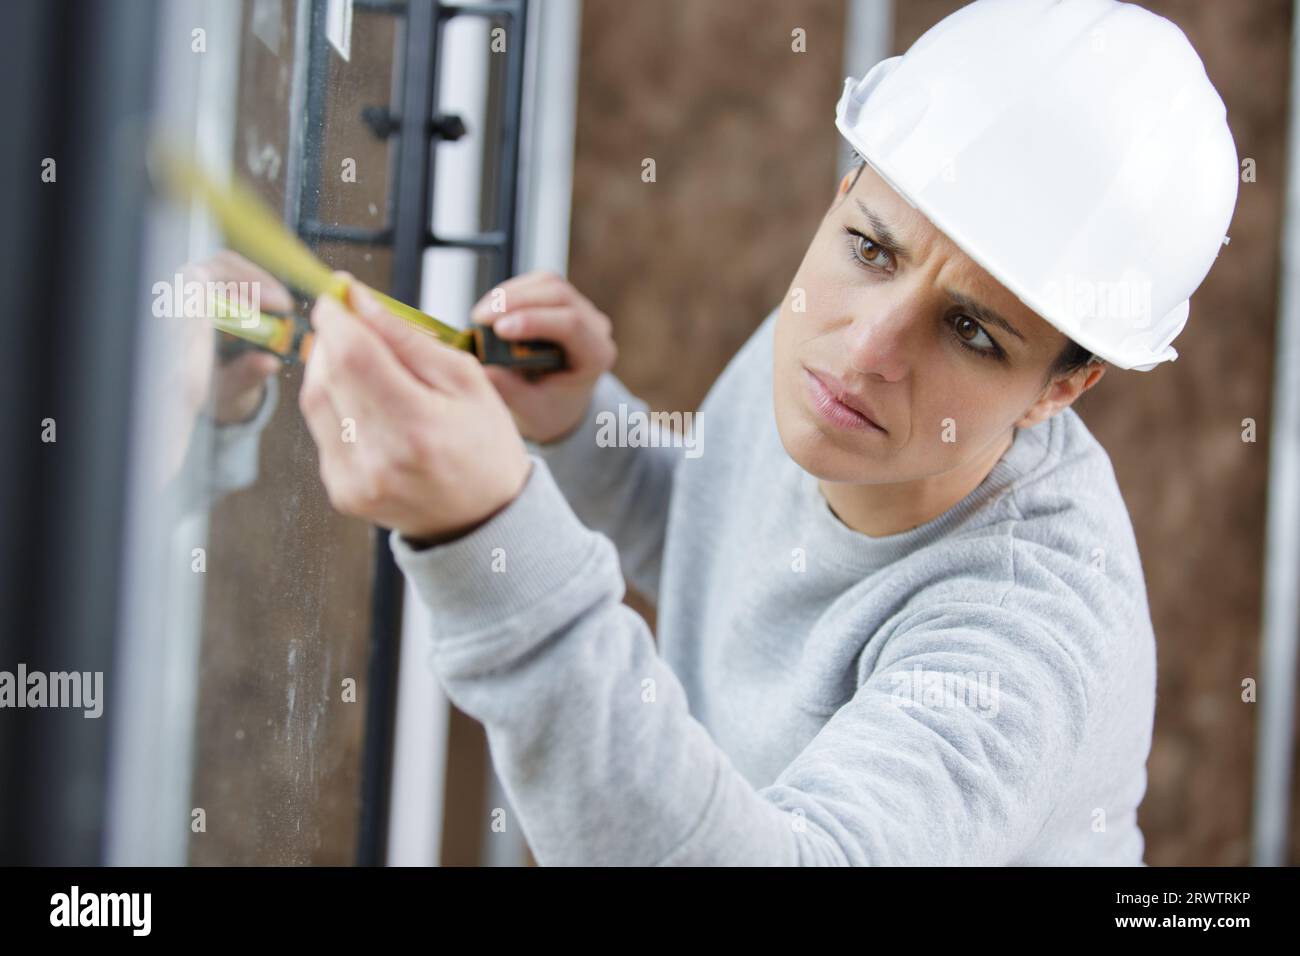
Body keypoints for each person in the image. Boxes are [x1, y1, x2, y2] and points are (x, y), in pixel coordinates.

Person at [297, 0, 1239, 864]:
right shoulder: (841, 367)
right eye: (873, 247)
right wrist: (580, 426)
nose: (869, 345)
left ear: (1062, 390)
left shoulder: (1024, 644)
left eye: (971, 332)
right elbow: (717, 545)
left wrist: (485, 534)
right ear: (840, 198)